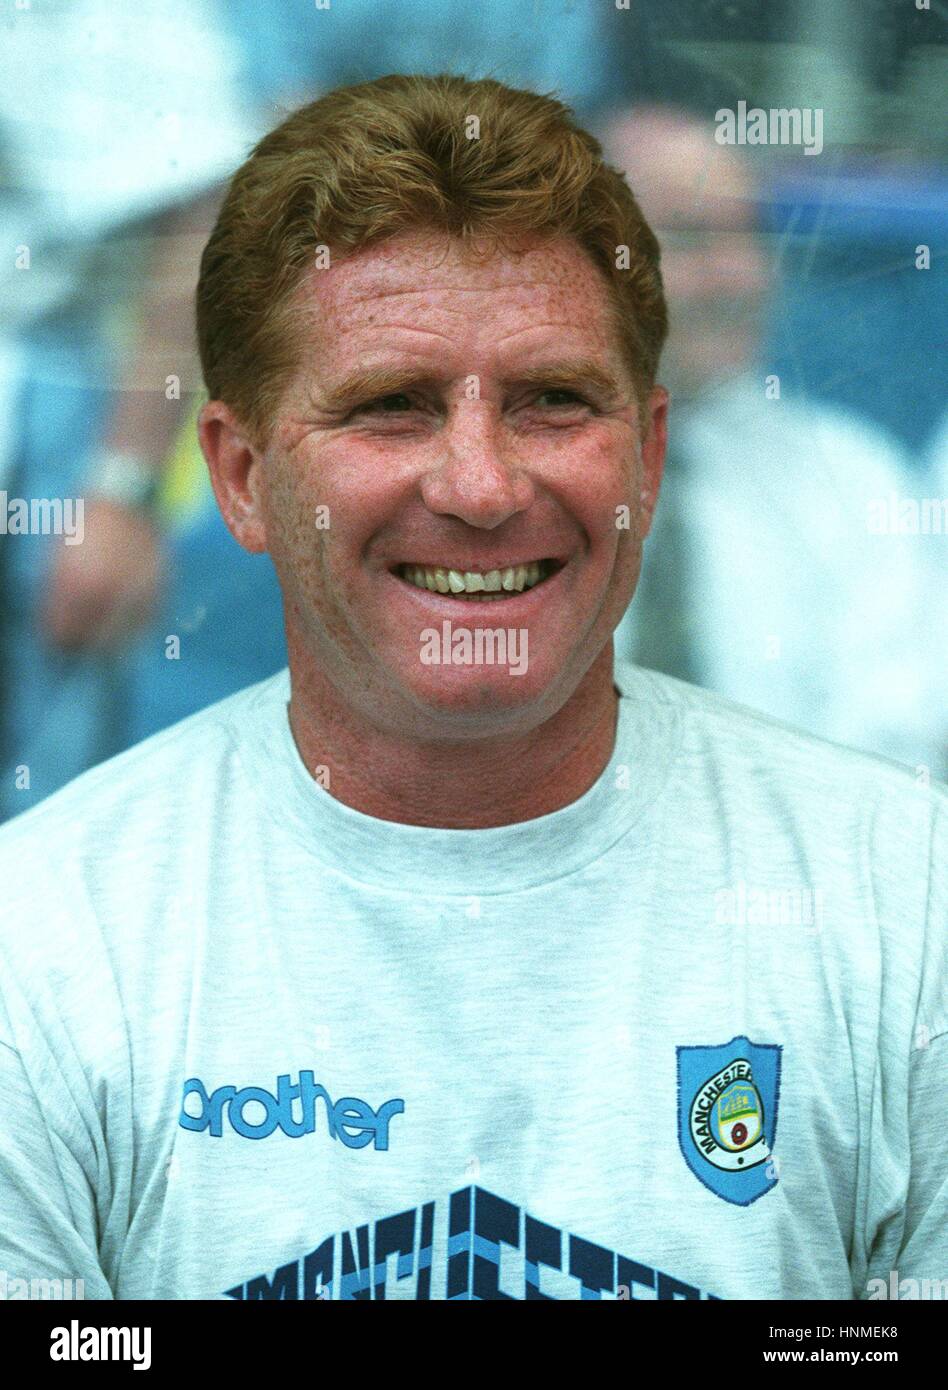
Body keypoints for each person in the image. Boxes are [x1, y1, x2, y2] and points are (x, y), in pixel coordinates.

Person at [0, 74, 943, 1302]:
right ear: (238, 478)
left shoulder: (910, 904)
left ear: (647, 457)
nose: (482, 485)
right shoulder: (48, 947)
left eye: (554, 400)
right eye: (392, 406)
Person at [603, 107, 942, 777]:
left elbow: (895, 748)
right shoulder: (505, 478)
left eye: (752, 238)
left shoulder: (853, 478)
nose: (744, 278)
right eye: (695, 240)